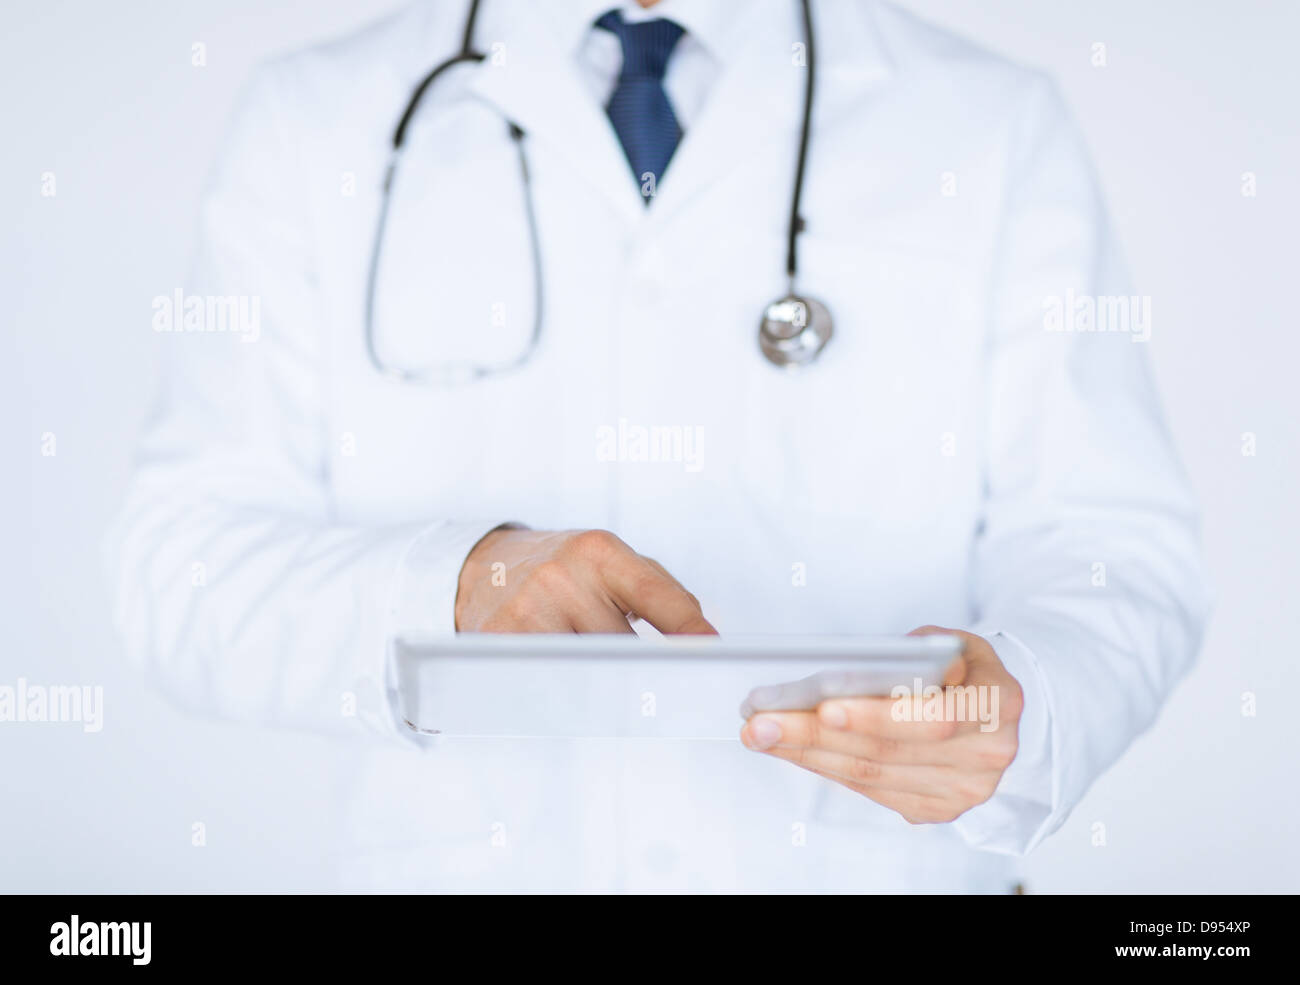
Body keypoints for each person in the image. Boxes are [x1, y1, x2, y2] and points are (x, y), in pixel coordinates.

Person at [108, 0, 1208, 892]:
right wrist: (452, 582)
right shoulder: (316, 118)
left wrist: (1029, 703)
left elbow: (1113, 543)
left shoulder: (986, 120)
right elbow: (178, 574)